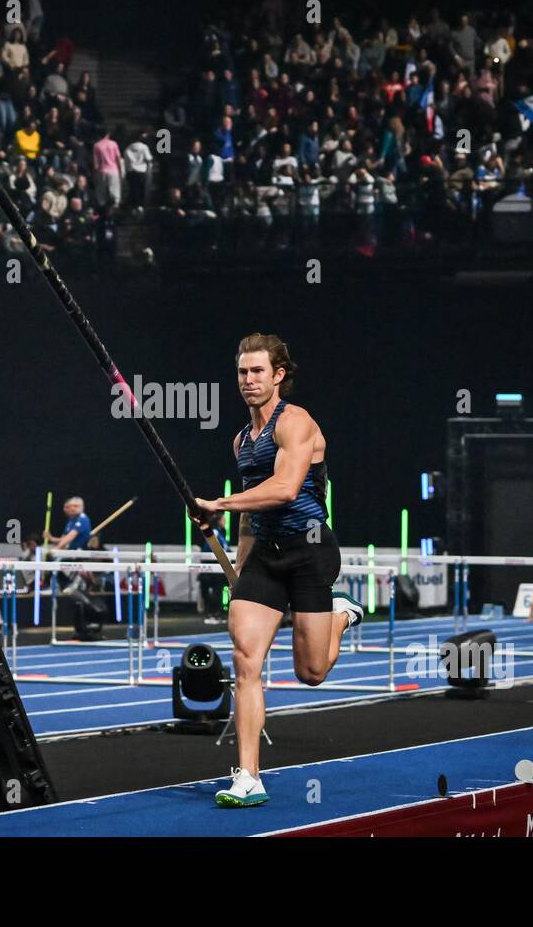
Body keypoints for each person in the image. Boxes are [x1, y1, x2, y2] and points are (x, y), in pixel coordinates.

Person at [194, 333, 358, 807]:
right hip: (265, 555)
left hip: (310, 552)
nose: (248, 380)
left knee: (311, 673)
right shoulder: (241, 440)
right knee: (246, 661)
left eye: (258, 372)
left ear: (278, 375)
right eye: (243, 372)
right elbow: (252, 510)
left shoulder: (297, 423)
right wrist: (241, 565)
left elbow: (285, 489)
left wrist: (218, 503)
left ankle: (341, 615)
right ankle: (248, 776)